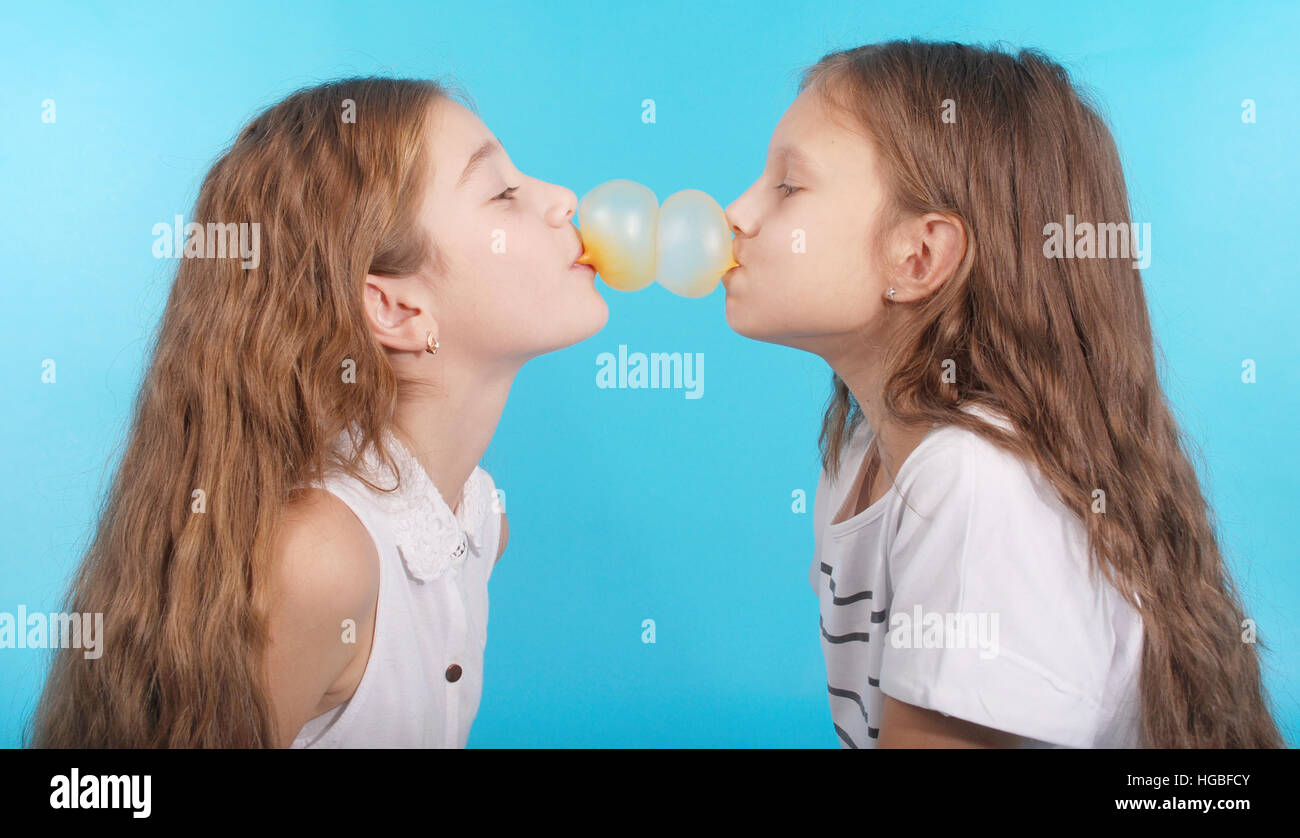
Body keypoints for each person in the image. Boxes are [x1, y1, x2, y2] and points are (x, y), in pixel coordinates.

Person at [721, 40, 1285, 748]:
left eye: (787, 186)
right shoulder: (858, 456)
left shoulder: (975, 483)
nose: (736, 213)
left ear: (919, 256)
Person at [29, 77, 607, 747]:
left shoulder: (475, 521)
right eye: (503, 193)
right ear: (395, 308)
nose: (564, 199)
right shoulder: (322, 562)